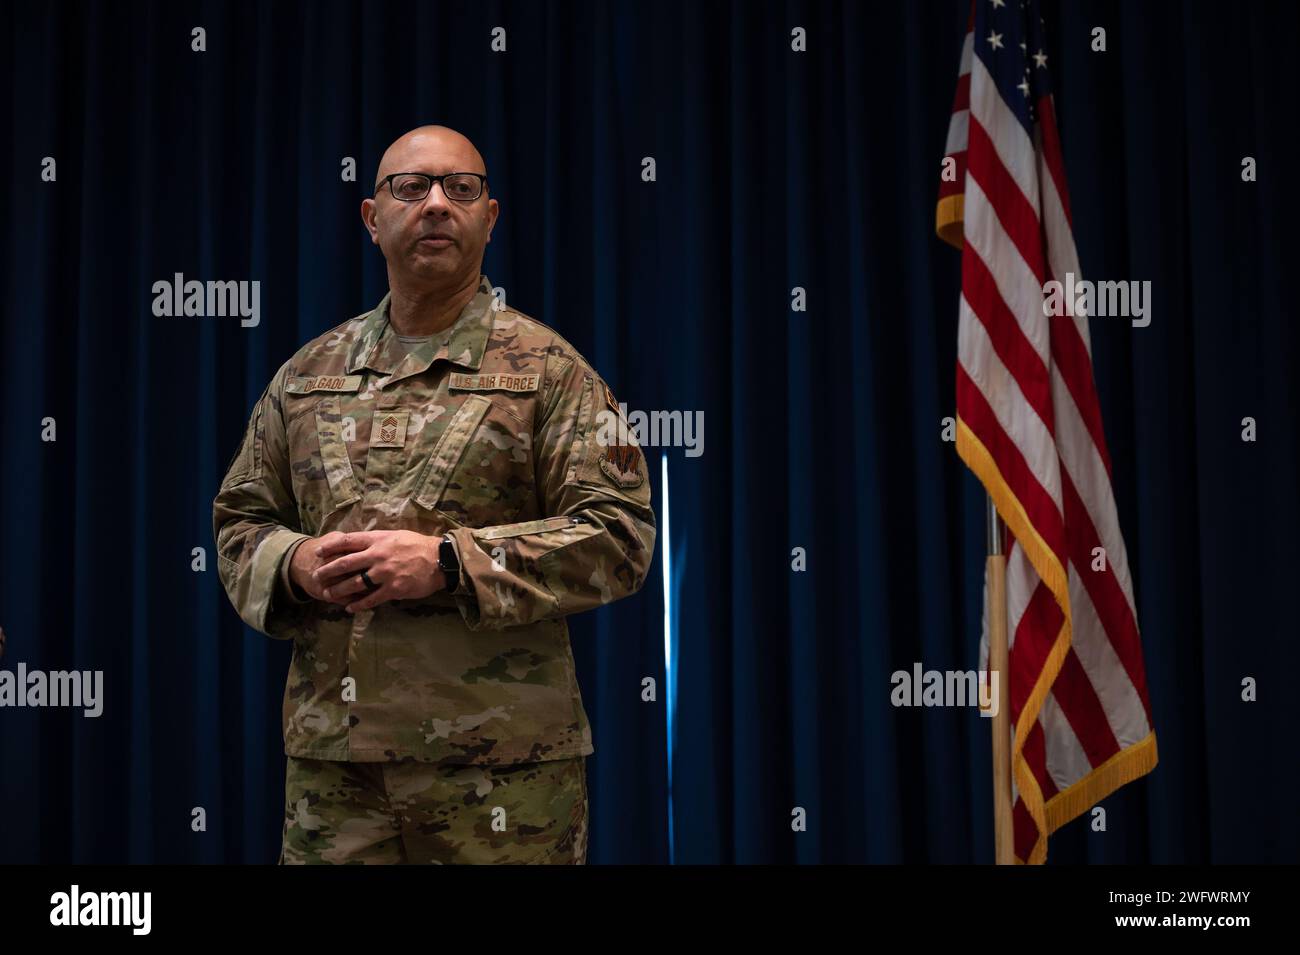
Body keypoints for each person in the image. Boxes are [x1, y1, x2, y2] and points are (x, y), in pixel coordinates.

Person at [212, 125, 656, 864]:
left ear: (491, 216)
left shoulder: (550, 371)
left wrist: (450, 563)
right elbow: (239, 522)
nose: (437, 204)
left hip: (504, 775)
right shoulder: (308, 374)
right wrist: (294, 563)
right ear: (371, 217)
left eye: (462, 188)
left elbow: (621, 537)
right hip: (336, 774)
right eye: (411, 187)